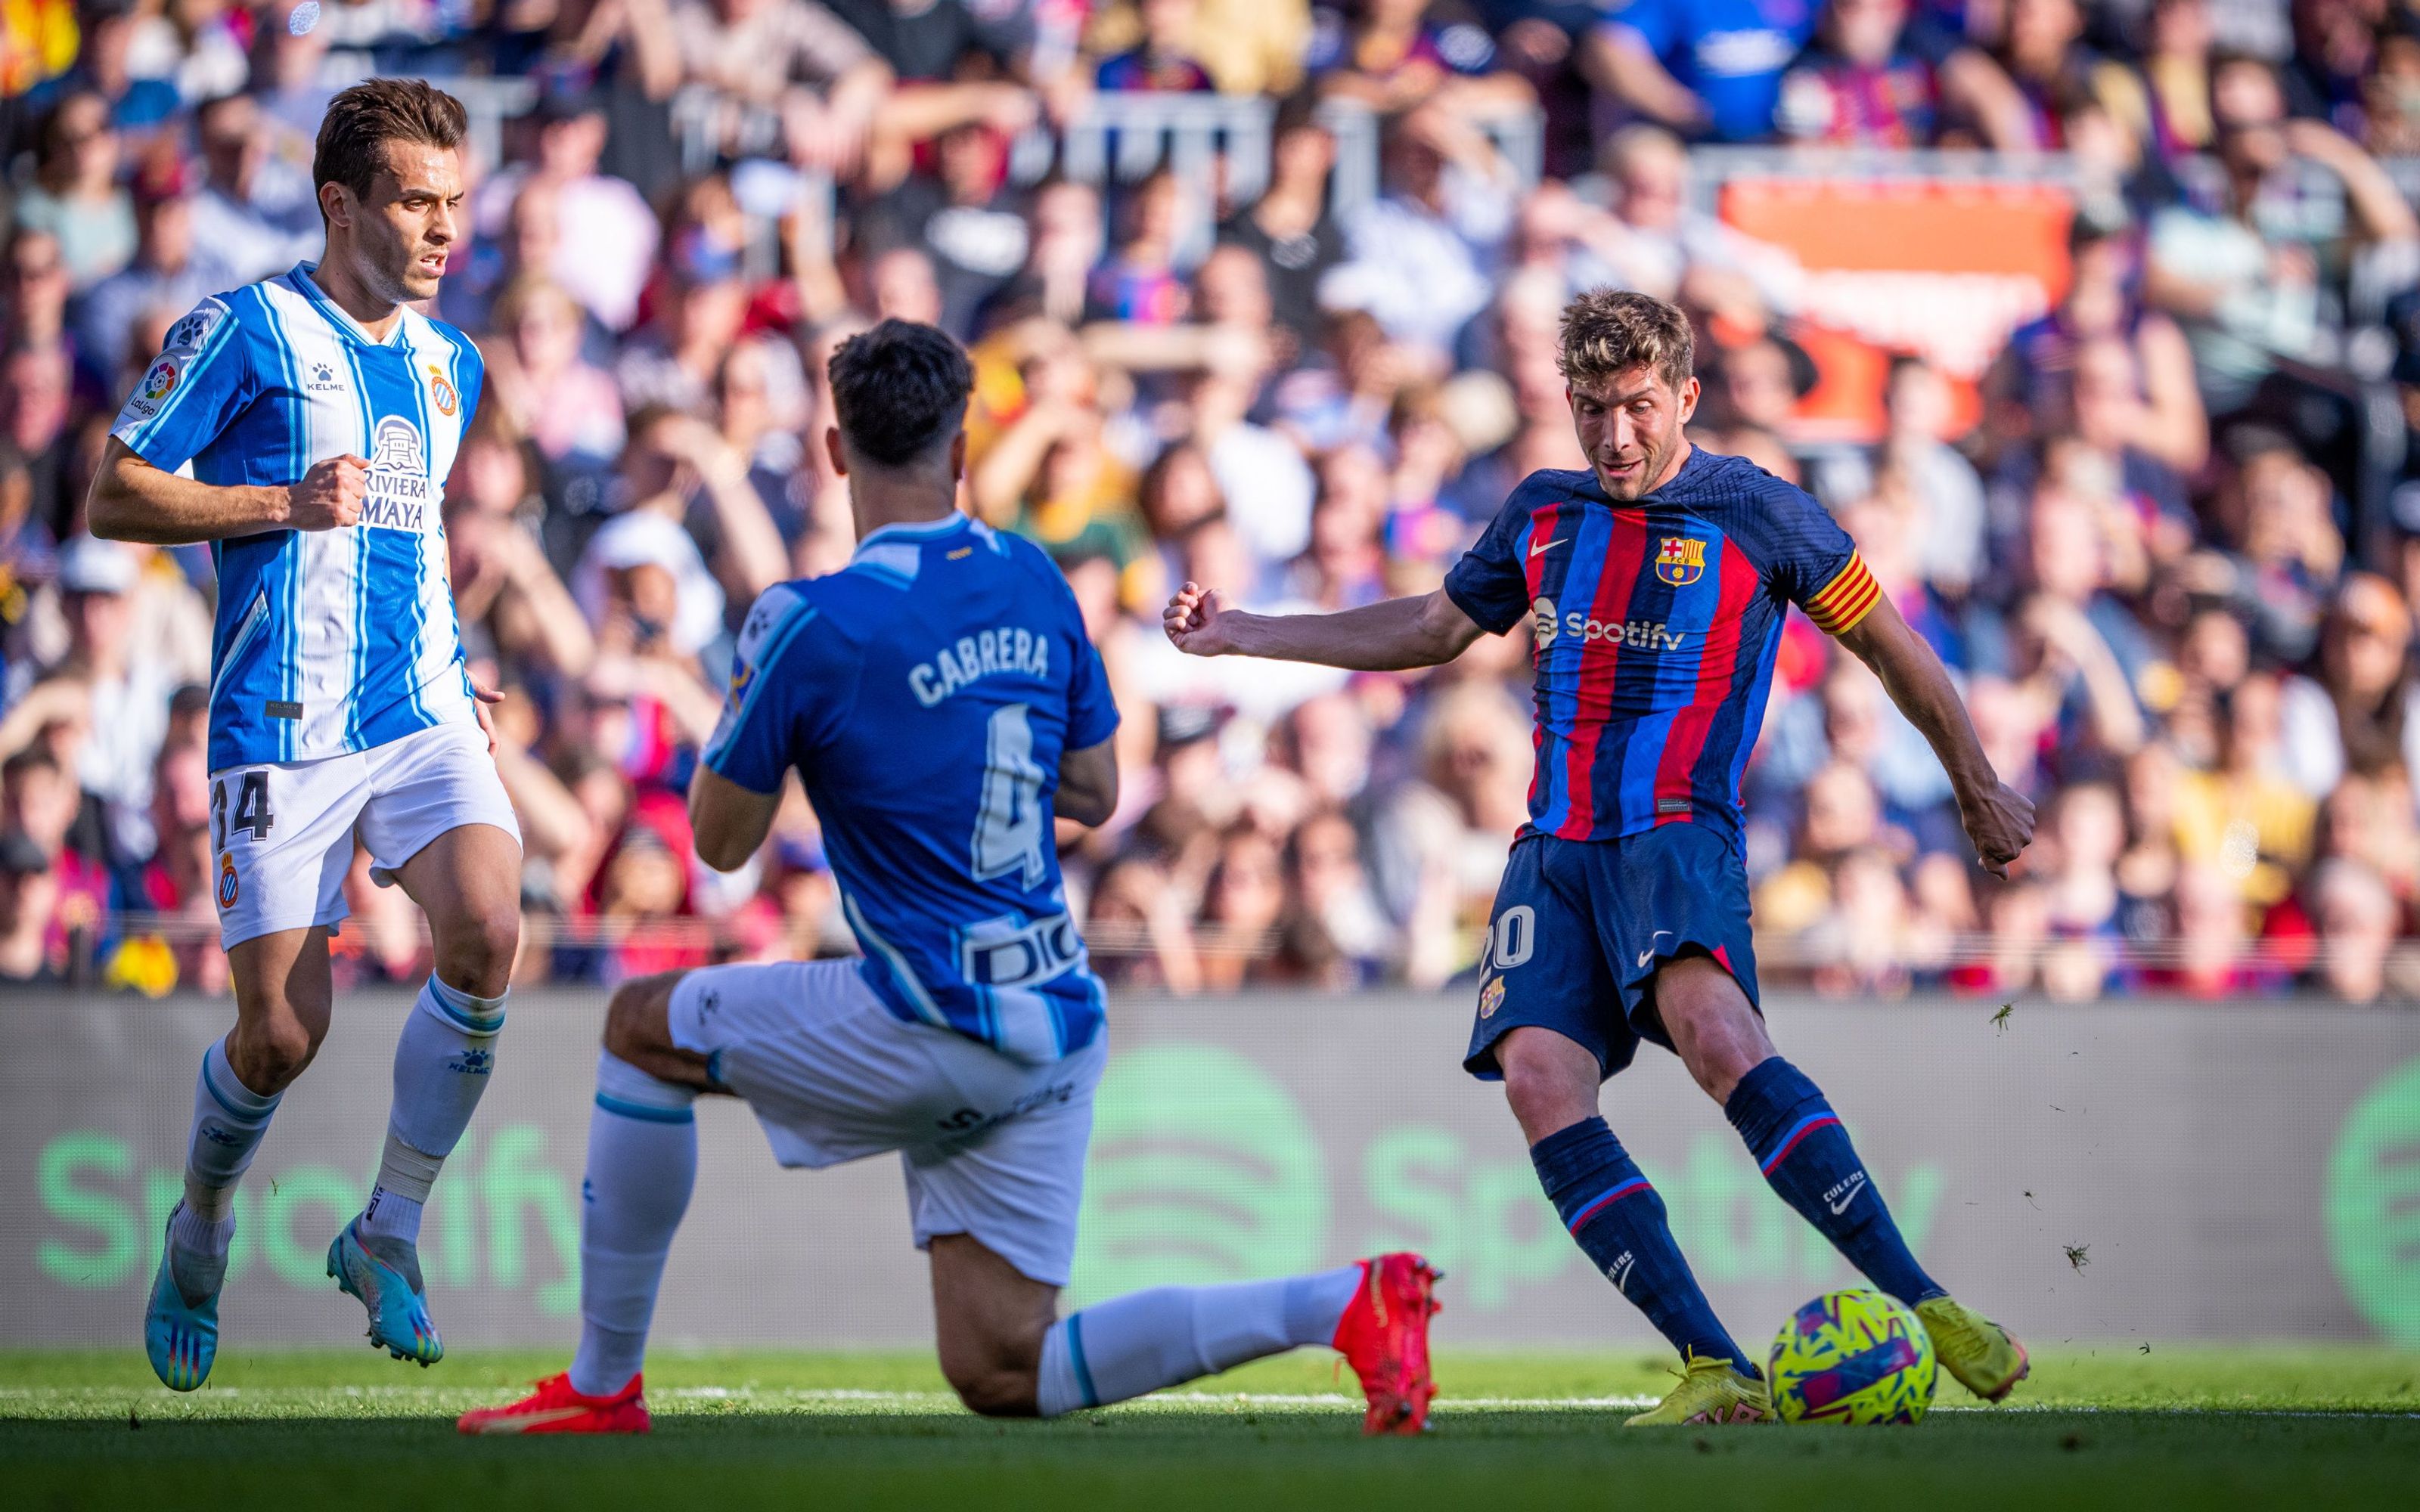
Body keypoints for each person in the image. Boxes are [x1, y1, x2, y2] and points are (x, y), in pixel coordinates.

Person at [455, 321, 1440, 1436]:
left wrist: (816, 744)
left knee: (640, 1028)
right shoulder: (1034, 576)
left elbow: (722, 847)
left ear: (834, 452)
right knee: (1000, 1369)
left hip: (932, 1009)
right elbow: (1098, 789)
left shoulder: (807, 621)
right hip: (1056, 1012)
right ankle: (1349, 1303)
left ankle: (600, 1387)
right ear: (963, 449)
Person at [1163, 289, 2034, 1427]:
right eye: (1591, 410)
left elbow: (1892, 645)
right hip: (1555, 850)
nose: (1614, 436)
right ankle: (1714, 1366)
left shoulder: (1761, 512)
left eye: (1635, 407)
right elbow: (1433, 628)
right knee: (1538, 1083)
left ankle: (1930, 1304)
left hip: (1676, 832)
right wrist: (1247, 632)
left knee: (1722, 1041)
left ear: (1684, 396)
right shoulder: (1542, 512)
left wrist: (1976, 786)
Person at [87, 80, 524, 1393]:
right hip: (282, 720)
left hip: (421, 708)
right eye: (414, 201)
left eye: (455, 202)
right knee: (281, 1035)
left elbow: (411, 533)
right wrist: (275, 498)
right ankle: (203, 1227)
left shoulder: (455, 362)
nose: (443, 229)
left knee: (491, 925)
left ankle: (387, 1230)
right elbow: (115, 493)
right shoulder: (247, 327)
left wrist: (460, 659)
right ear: (341, 204)